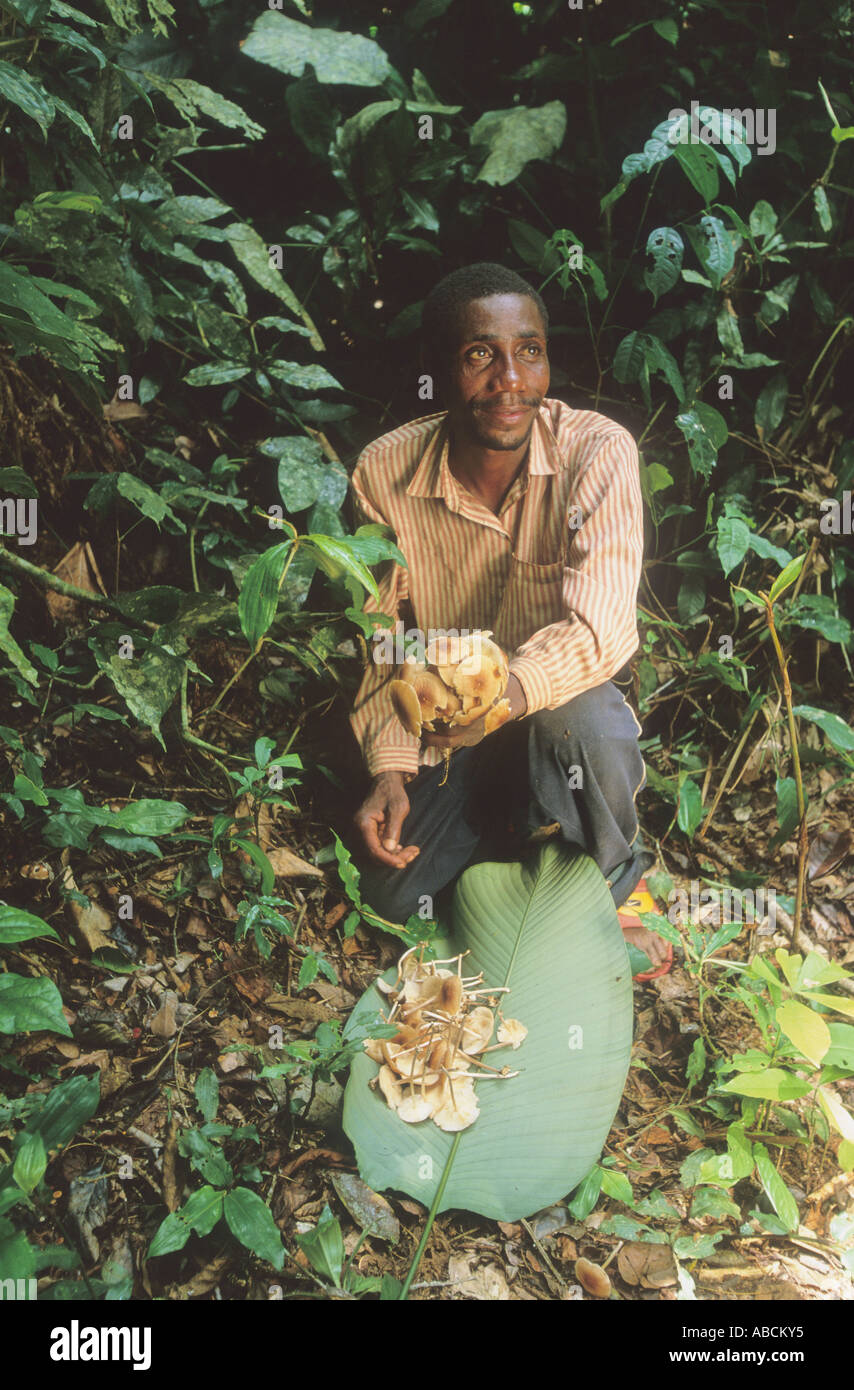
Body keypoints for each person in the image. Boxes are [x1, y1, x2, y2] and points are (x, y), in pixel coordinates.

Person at [346, 262, 670, 976]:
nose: (510, 380)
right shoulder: (383, 474)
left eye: (529, 351)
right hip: (447, 736)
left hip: (556, 719)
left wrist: (503, 703)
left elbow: (602, 630)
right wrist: (390, 770)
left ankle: (619, 882)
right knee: (390, 898)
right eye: (478, 355)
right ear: (437, 370)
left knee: (584, 720)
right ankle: (522, 841)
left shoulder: (598, 451)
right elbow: (380, 639)